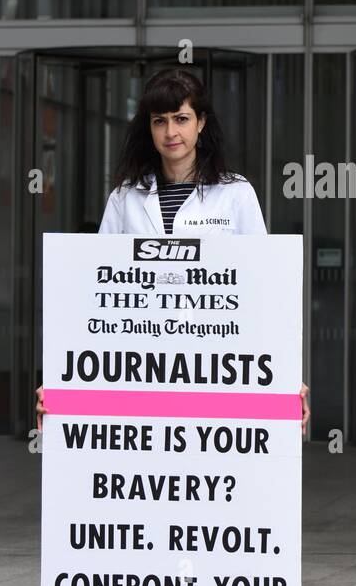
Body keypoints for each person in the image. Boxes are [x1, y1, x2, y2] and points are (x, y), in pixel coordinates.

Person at [37, 66, 309, 431]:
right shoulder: (125, 197)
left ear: (200, 123)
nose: (170, 132)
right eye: (159, 121)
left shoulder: (235, 193)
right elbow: (97, 290)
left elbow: (262, 288)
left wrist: (285, 375)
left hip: (217, 357)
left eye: (181, 119)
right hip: (139, 360)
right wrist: (62, 382)